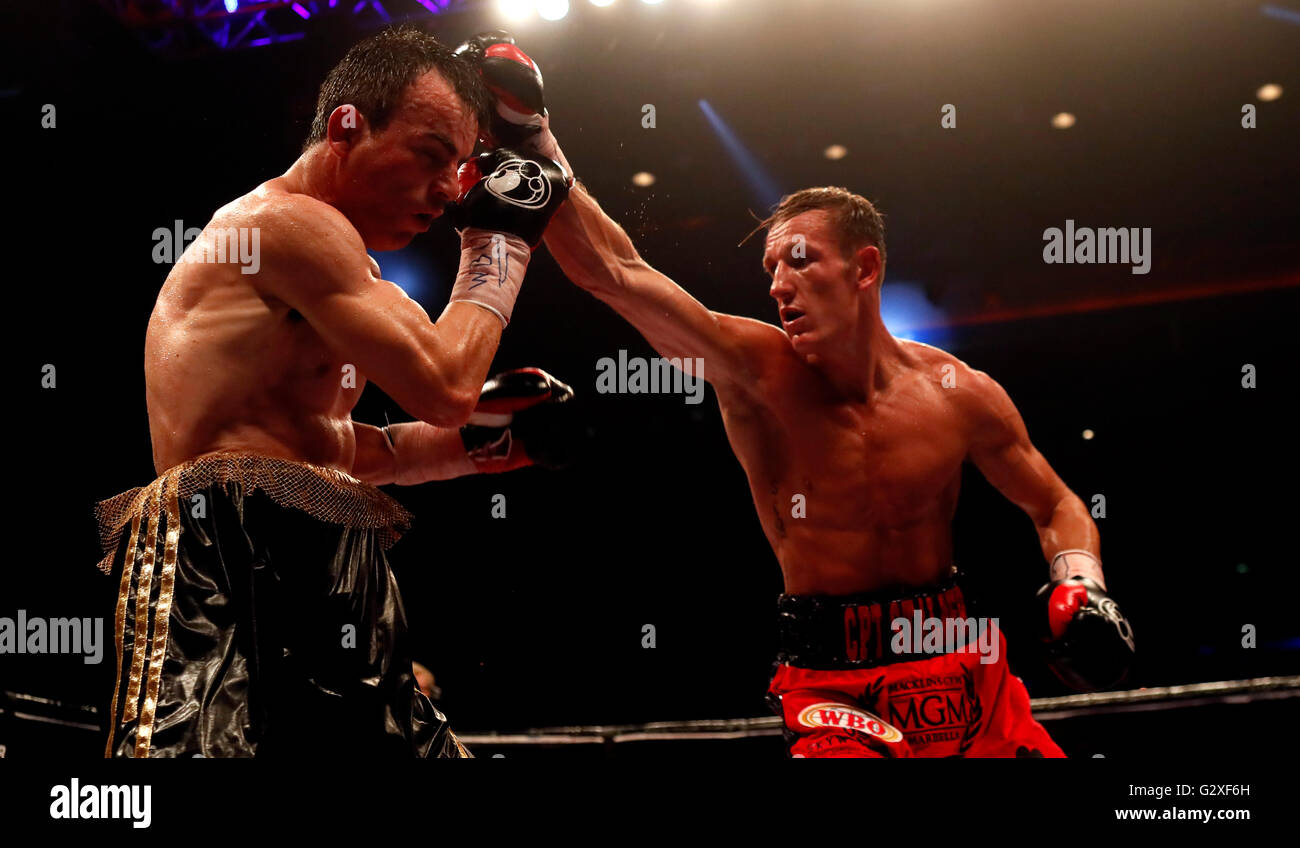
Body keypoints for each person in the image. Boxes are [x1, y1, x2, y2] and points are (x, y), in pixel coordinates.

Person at [459, 33, 1135, 758]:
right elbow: (617, 272)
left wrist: (1084, 585)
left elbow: (1056, 504)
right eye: (769, 268)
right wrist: (535, 136)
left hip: (964, 661)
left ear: (864, 268)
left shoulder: (959, 392)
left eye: (800, 261)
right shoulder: (756, 372)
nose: (778, 284)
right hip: (832, 685)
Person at [94, 26, 572, 758]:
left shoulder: (345, 272)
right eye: (431, 156)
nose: (450, 192)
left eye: (463, 169)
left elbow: (354, 448)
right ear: (348, 124)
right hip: (217, 537)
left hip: (321, 533)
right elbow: (446, 386)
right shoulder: (281, 226)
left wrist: (487, 446)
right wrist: (498, 247)